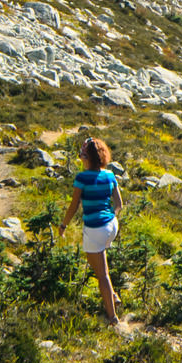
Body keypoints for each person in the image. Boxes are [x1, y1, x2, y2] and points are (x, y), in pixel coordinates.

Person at [60, 136, 124, 323]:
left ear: (87, 157)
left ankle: (112, 317)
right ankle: (113, 296)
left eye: (82, 153)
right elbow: (119, 204)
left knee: (101, 274)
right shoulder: (110, 175)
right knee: (102, 265)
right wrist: (110, 218)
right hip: (111, 225)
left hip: (95, 228)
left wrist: (63, 225)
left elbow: (74, 206)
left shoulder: (82, 178)